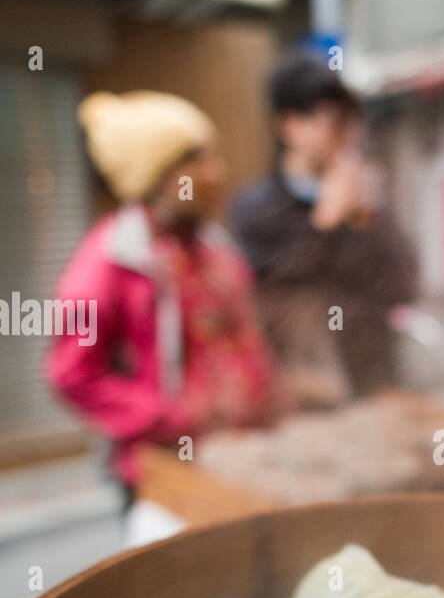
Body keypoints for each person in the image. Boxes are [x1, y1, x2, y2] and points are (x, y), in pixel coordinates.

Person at [48, 91, 282, 496]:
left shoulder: (213, 247)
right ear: (153, 175)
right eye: (196, 159)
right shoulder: (111, 262)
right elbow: (74, 374)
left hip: (242, 460)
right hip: (166, 474)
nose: (215, 173)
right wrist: (171, 416)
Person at [231, 53, 418, 399]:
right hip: (298, 394)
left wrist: (372, 218)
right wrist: (325, 223)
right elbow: (269, 294)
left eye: (354, 122)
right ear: (290, 125)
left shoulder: (365, 201)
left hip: (374, 385)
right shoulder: (257, 207)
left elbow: (403, 286)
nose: (348, 136)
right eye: (335, 122)